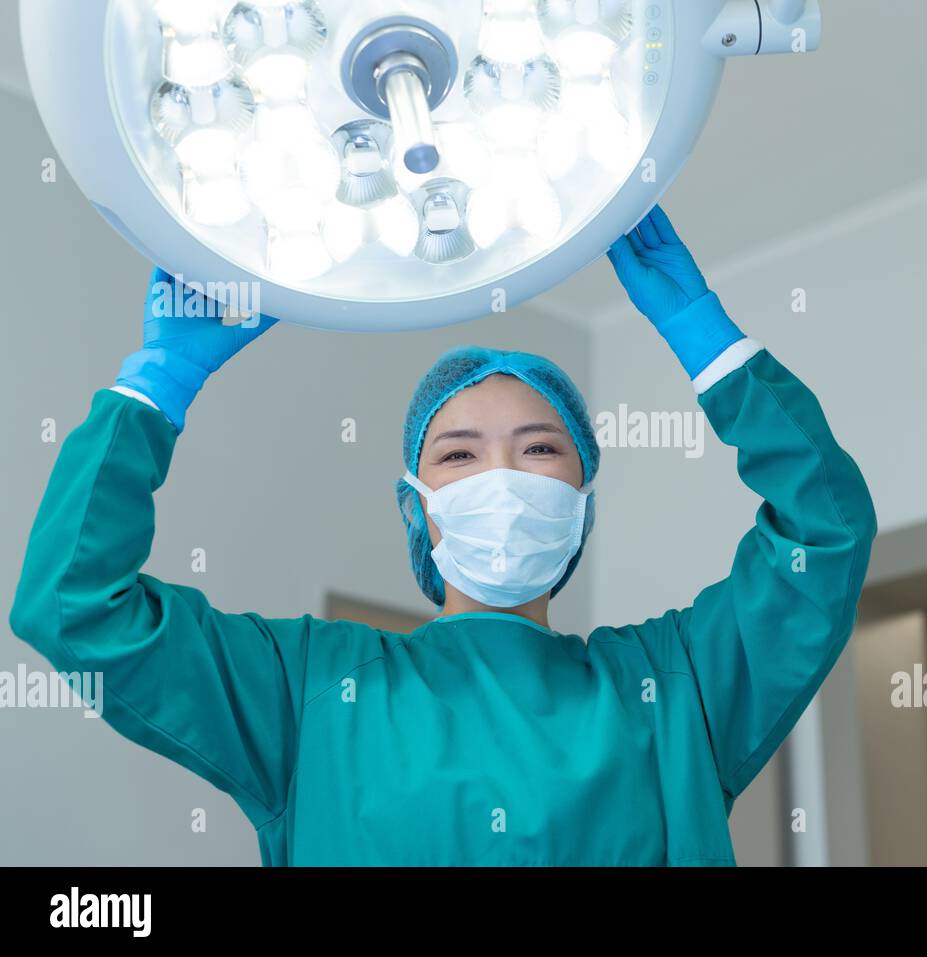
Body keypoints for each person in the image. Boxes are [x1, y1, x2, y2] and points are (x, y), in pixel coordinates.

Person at [10, 206, 876, 866]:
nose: (501, 476)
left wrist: (709, 341)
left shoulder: (675, 689)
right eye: (459, 455)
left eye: (539, 449)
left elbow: (825, 536)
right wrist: (158, 384)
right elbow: (76, 605)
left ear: (583, 500)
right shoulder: (305, 691)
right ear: (417, 507)